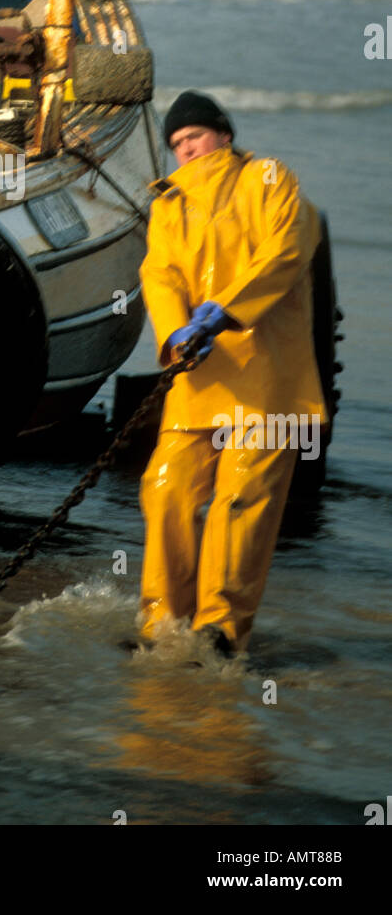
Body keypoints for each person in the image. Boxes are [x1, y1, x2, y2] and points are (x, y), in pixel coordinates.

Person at [137, 90, 327, 656]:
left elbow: (289, 248)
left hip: (268, 384)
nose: (185, 150)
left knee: (241, 501)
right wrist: (174, 332)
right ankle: (161, 626)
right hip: (196, 380)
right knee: (163, 490)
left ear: (222, 134)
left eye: (193, 136)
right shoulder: (168, 203)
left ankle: (221, 628)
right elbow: (160, 272)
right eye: (175, 144)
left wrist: (228, 308)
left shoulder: (268, 178)